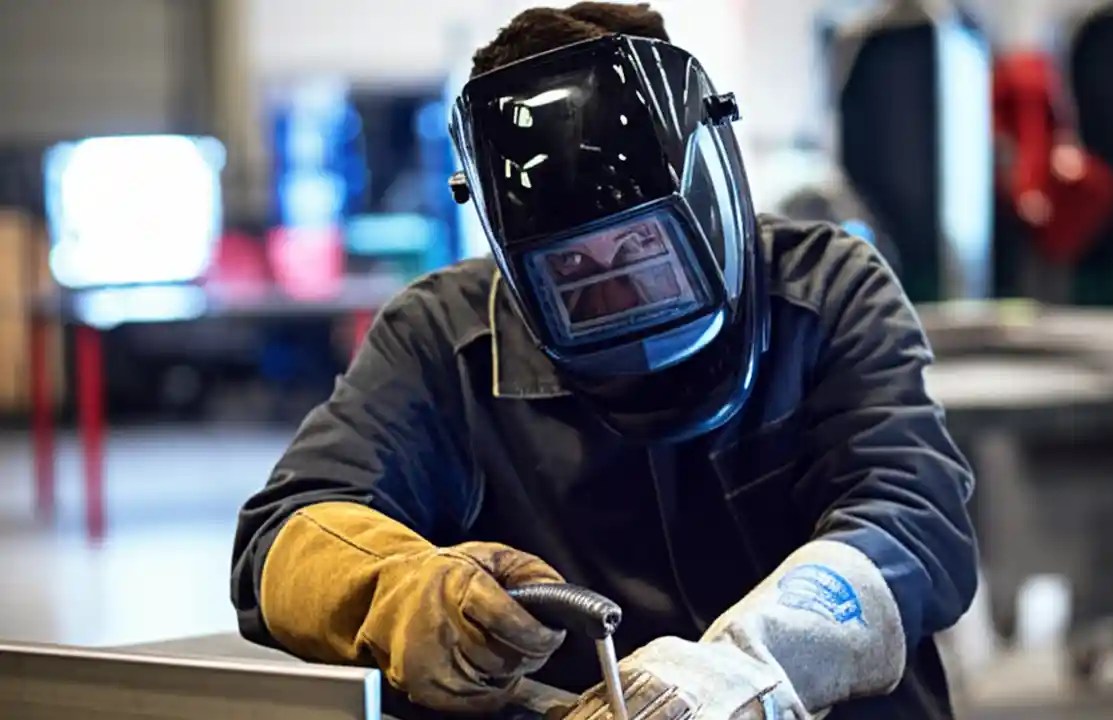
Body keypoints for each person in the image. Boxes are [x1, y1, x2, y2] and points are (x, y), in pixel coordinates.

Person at [231, 4, 978, 719]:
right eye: (572, 272)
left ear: (707, 191)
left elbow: (913, 522)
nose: (618, 295)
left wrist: (746, 669)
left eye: (639, 250)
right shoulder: (440, 340)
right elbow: (281, 540)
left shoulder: (828, 288)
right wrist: (401, 591)